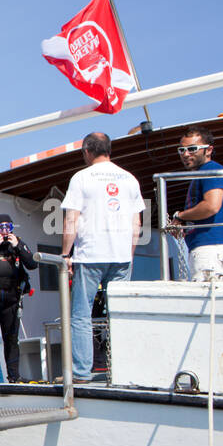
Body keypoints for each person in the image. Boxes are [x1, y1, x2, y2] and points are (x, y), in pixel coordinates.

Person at [60, 132, 143, 383]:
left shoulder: (81, 178)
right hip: (121, 256)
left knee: (81, 315)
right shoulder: (129, 179)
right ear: (109, 150)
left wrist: (66, 254)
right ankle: (123, 371)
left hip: (91, 254)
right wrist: (128, 254)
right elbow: (136, 223)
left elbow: (71, 219)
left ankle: (82, 373)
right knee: (119, 315)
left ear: (87, 151)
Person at [169, 125, 223, 281]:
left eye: (192, 149)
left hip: (211, 250)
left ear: (209, 150)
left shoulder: (212, 170)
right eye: (181, 150)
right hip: (206, 250)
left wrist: (180, 216)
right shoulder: (202, 174)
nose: (186, 154)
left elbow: (211, 206)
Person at [0, 214, 37, 382]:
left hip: (12, 298)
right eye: (0, 228)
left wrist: (18, 245)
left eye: (7, 227)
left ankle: (14, 376)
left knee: (11, 339)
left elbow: (32, 263)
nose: (4, 232)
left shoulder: (17, 244)